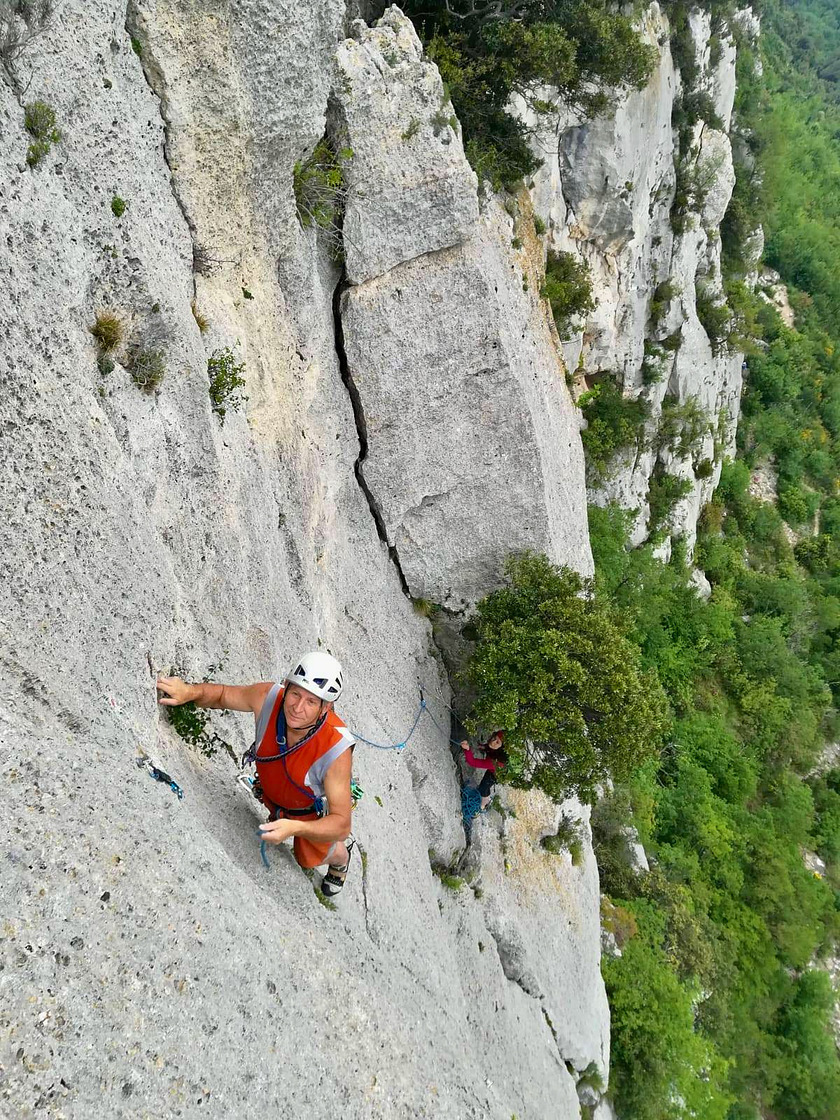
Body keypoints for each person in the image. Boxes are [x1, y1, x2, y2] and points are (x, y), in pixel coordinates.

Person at [156, 651, 356, 897]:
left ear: (325, 709)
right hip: (274, 793)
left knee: (309, 856)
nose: (297, 707)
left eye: (311, 702)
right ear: (287, 686)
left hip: (306, 814)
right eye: (295, 694)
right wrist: (190, 692)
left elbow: (341, 823)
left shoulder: (336, 750)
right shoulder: (269, 698)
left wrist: (294, 828)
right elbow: (222, 695)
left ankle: (340, 860)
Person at [460, 730, 507, 810]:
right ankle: (484, 801)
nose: (493, 742)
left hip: (496, 774)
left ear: (501, 747)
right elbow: (487, 748)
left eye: (497, 742)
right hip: (495, 770)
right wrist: (481, 746)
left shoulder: (494, 761)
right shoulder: (495, 749)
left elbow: (473, 762)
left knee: (484, 787)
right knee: (484, 785)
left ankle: (483, 805)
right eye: (494, 738)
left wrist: (467, 749)